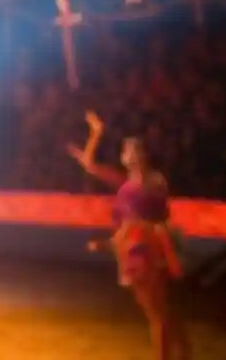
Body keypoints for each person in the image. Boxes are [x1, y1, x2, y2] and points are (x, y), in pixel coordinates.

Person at [66, 111, 191, 360]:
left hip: (150, 250)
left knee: (158, 311)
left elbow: (154, 218)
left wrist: (118, 240)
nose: (129, 153)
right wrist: (96, 133)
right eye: (126, 150)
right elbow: (90, 165)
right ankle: (184, 352)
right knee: (157, 310)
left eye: (134, 149)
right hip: (133, 250)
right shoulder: (126, 182)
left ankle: (172, 355)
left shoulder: (154, 181)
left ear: (143, 155)